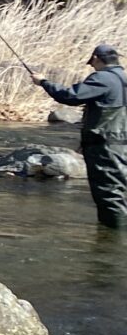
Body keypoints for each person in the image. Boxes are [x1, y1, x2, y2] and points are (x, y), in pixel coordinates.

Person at [39, 44, 127, 228]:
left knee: (110, 193)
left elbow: (70, 96)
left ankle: (113, 241)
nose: (92, 67)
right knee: (119, 189)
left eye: (92, 63)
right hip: (119, 144)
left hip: (106, 146)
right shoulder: (124, 78)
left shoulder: (103, 78)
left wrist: (44, 82)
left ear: (96, 58)